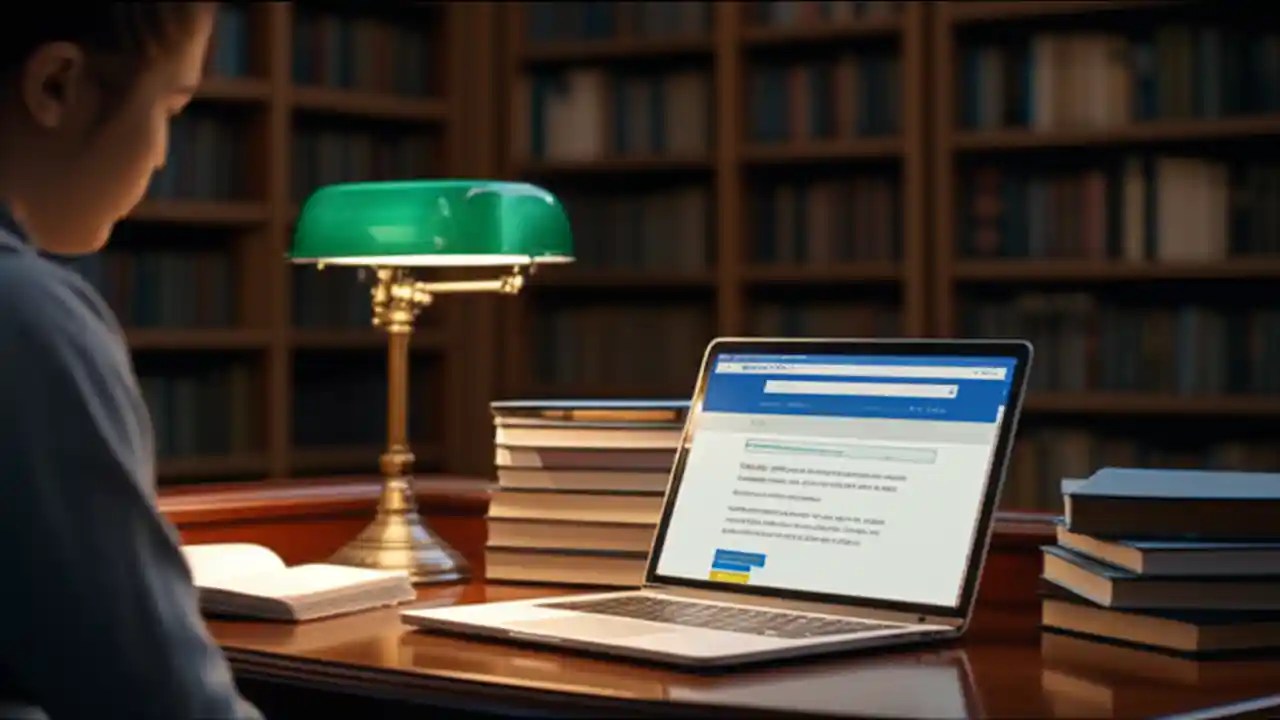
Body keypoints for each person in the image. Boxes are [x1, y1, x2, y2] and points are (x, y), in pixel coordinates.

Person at [0, 4, 262, 718]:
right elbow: (159, 700)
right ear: (56, 85)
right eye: (170, 107)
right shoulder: (27, 318)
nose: (161, 155)